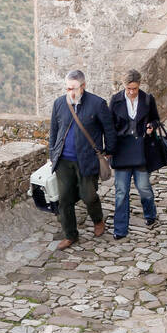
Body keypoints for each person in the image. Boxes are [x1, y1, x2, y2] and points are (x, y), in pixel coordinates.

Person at [48, 70, 117, 250]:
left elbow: (109, 130)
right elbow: (54, 131)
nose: (70, 92)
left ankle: (98, 219)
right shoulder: (59, 104)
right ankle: (70, 234)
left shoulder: (97, 104)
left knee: (89, 196)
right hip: (63, 161)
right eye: (68, 88)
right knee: (64, 199)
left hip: (87, 160)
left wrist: (109, 151)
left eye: (74, 88)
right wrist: (52, 153)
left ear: (83, 86)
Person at [108, 70, 160, 239]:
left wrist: (151, 126)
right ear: (124, 86)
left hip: (141, 150)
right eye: (129, 88)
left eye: (135, 88)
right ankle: (120, 229)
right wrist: (109, 149)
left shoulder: (147, 99)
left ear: (139, 85)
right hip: (121, 151)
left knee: (144, 187)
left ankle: (150, 214)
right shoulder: (115, 101)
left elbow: (156, 119)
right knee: (121, 191)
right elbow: (109, 128)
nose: (131, 92)